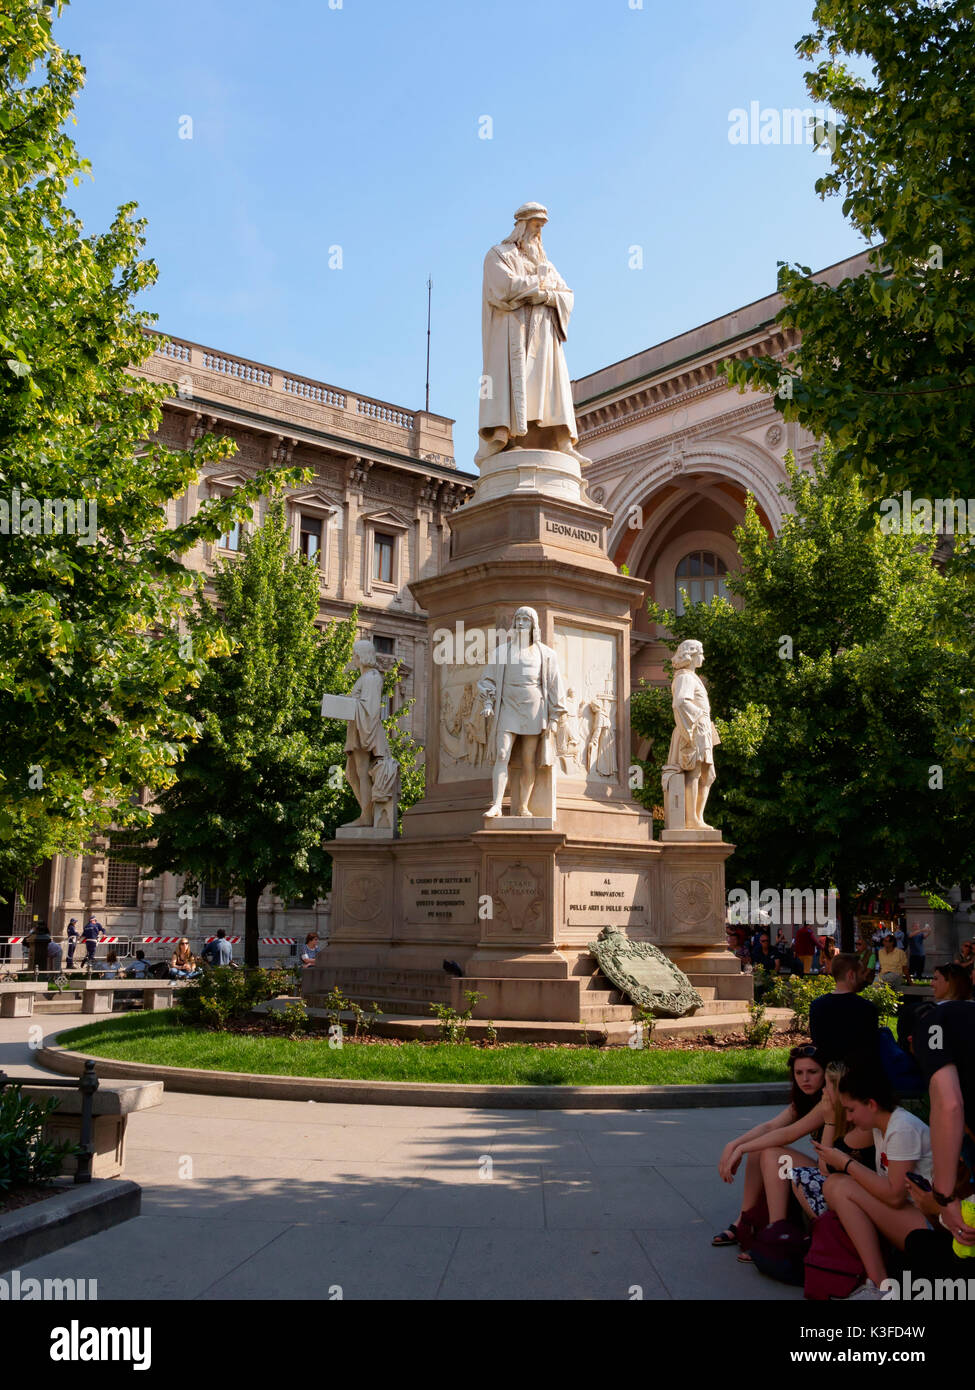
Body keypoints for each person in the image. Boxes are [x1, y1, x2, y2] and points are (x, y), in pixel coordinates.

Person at [816, 1067, 933, 1299]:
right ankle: (878, 1281)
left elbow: (895, 1196)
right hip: (912, 1216)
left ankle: (881, 1287)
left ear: (871, 1104)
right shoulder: (882, 1127)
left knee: (840, 1185)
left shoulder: (901, 1128)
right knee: (835, 1185)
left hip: (931, 1228)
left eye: (851, 1110)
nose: (848, 1117)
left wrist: (847, 1163)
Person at [712, 1045, 826, 1256]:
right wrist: (733, 1145)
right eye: (799, 1073)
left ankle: (775, 1237)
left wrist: (741, 1149)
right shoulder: (804, 1099)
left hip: (838, 1179)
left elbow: (789, 1134)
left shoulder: (828, 1101)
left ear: (825, 1073)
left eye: (812, 1072)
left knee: (772, 1154)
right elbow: (770, 1127)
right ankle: (744, 1221)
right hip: (822, 1172)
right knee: (760, 1149)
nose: (805, 1079)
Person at [902, 997, 975, 1282]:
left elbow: (949, 1105)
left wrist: (943, 1198)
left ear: (912, 1041)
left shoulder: (931, 1026)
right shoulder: (965, 1015)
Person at [790, 1061, 875, 1222]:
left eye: (827, 1085)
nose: (823, 1090)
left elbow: (825, 1168)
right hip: (844, 1185)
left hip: (858, 1192)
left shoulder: (860, 1126)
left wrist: (830, 1122)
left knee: (810, 1178)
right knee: (796, 1174)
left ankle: (828, 1231)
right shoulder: (843, 1116)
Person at [808, 953, 880, 1067]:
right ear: (851, 975)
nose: (863, 977)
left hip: (827, 1071)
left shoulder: (816, 1006)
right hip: (858, 1073)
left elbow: (817, 1043)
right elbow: (870, 1048)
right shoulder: (867, 1008)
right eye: (861, 973)